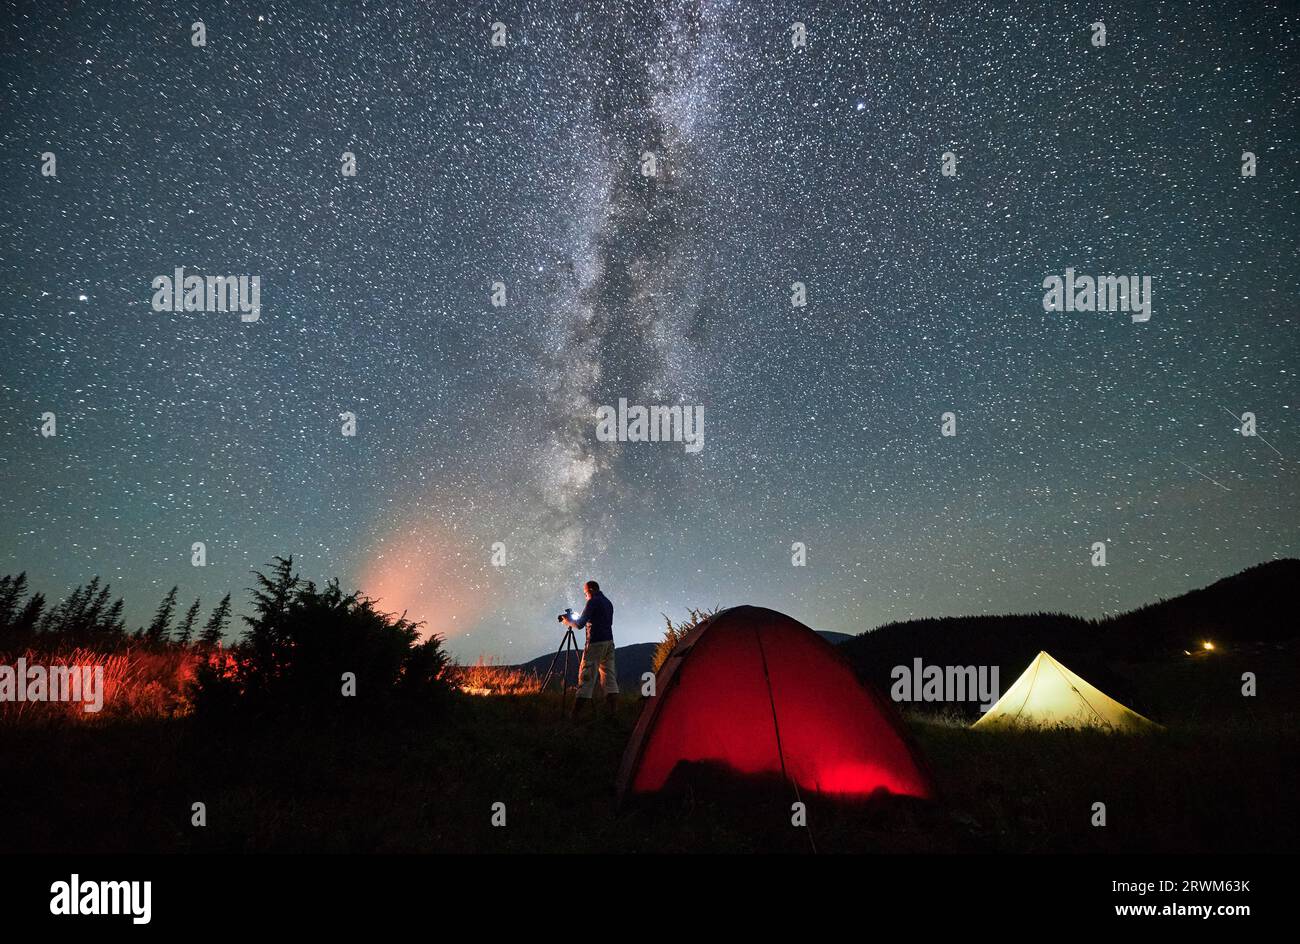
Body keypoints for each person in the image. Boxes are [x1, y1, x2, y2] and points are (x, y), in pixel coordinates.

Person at [561, 580, 618, 718]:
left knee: (586, 677)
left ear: (591, 590)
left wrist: (567, 621)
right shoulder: (608, 602)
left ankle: (574, 715)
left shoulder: (592, 601)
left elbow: (580, 624)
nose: (585, 596)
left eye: (585, 593)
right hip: (609, 643)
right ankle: (612, 714)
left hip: (595, 644)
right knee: (609, 679)